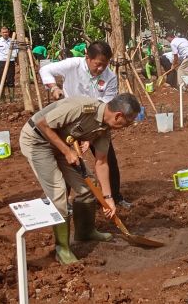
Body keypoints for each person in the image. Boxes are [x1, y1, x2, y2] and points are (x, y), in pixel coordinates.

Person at [18, 93, 140, 265]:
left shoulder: (104, 128)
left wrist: (108, 198)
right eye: (128, 121)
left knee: (89, 188)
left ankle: (85, 231)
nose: (128, 126)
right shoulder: (81, 109)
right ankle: (62, 249)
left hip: (60, 143)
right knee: (58, 192)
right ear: (118, 115)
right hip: (37, 140)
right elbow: (42, 124)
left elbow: (102, 162)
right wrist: (67, 152)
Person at [39, 41, 130, 209]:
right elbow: (45, 70)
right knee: (67, 160)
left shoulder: (110, 77)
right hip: (69, 121)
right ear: (87, 57)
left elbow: (107, 103)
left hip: (96, 123)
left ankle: (114, 197)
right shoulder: (73, 64)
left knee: (107, 158)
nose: (102, 69)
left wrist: (90, 136)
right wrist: (53, 87)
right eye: (98, 64)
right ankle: (62, 203)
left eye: (105, 65)